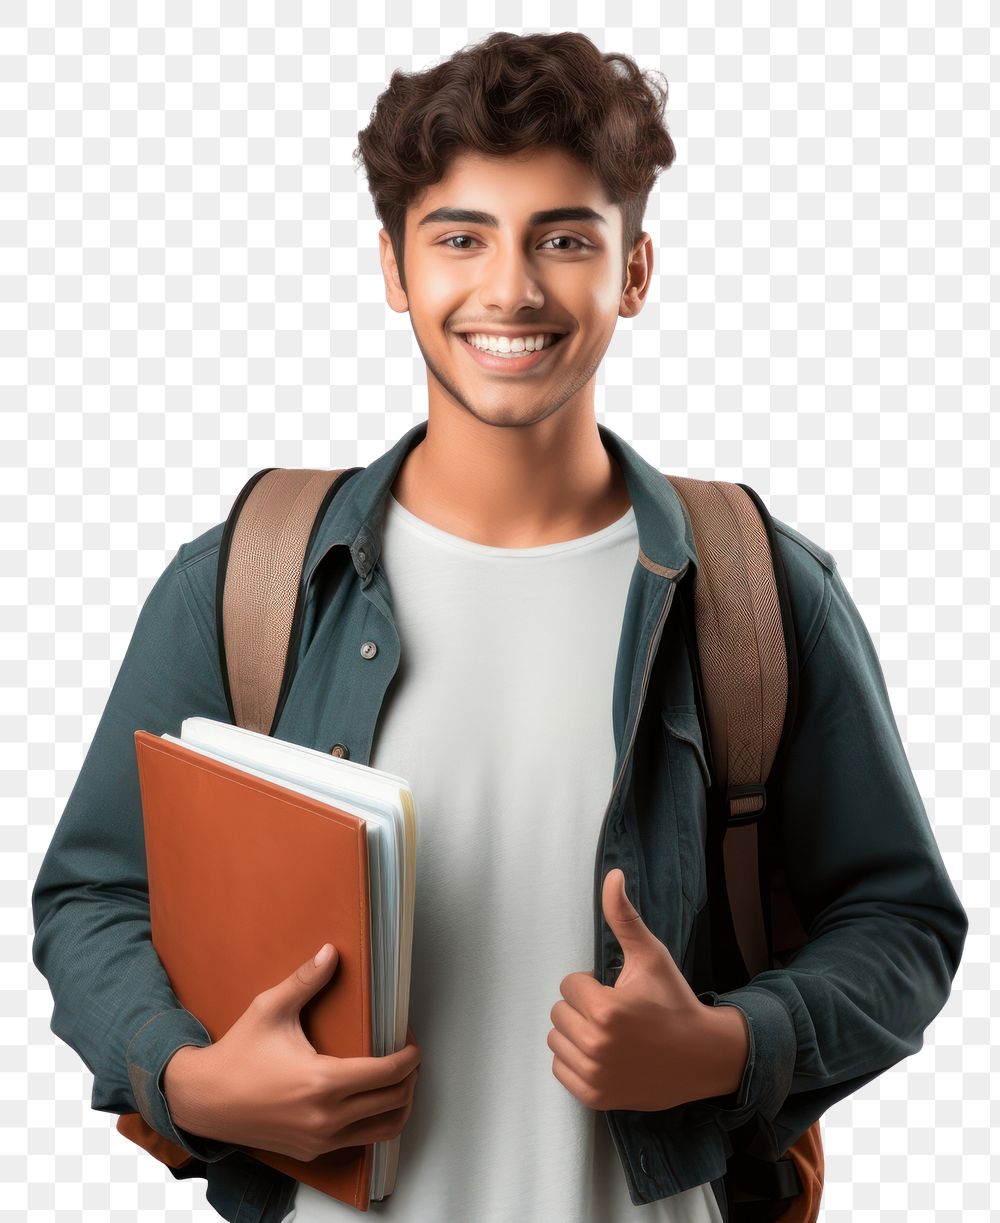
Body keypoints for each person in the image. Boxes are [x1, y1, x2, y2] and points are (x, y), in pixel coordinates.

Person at [30, 30, 968, 1223]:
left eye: (565, 238)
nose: (511, 287)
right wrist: (193, 1079)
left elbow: (898, 921)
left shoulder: (756, 592)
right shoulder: (249, 578)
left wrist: (729, 1045)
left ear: (633, 272)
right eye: (460, 235)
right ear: (393, 267)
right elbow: (95, 895)